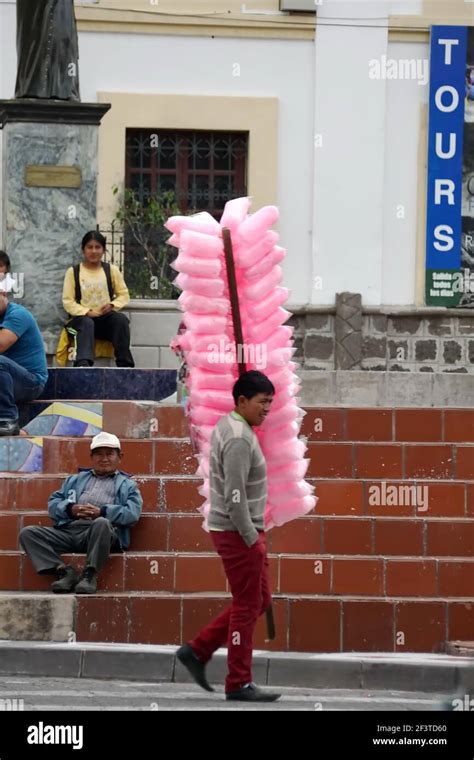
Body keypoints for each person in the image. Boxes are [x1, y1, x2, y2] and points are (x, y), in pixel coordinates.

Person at [176, 370, 281, 702]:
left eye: (271, 403)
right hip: (238, 532)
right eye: (263, 403)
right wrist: (252, 538)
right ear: (242, 401)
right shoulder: (238, 437)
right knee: (247, 605)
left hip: (239, 530)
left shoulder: (235, 426)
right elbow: (235, 496)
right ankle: (238, 681)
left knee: (258, 600)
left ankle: (198, 650)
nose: (267, 409)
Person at [19, 432, 143, 594]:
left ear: (120, 457)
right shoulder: (74, 480)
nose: (104, 458)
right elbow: (53, 504)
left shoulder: (128, 485)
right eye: (98, 454)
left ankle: (89, 575)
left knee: (102, 523)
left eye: (109, 454)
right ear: (91, 457)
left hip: (100, 533)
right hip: (69, 531)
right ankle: (63, 572)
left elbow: (132, 514)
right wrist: (71, 509)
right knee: (28, 533)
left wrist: (101, 512)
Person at [62, 231, 134, 367]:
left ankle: (125, 365)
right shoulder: (73, 272)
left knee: (121, 320)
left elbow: (124, 295)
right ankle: (83, 364)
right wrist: (87, 312)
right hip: (78, 323)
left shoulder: (111, 270)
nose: (94, 251)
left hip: (103, 321)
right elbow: (68, 301)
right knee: (87, 323)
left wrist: (112, 305)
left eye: (97, 247)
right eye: (90, 247)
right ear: (83, 250)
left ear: (104, 250)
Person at [0, 287, 48, 436]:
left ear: (3, 294)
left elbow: (1, 344)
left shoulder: (17, 315)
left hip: (31, 382)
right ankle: (18, 433)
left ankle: (7, 420)